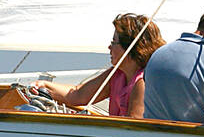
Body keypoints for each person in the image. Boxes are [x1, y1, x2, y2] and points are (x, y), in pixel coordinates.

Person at [32, 13, 164, 117]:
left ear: (130, 47)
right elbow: (78, 94)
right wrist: (44, 85)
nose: (109, 47)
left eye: (114, 42)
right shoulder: (116, 75)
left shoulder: (142, 82)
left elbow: (133, 128)